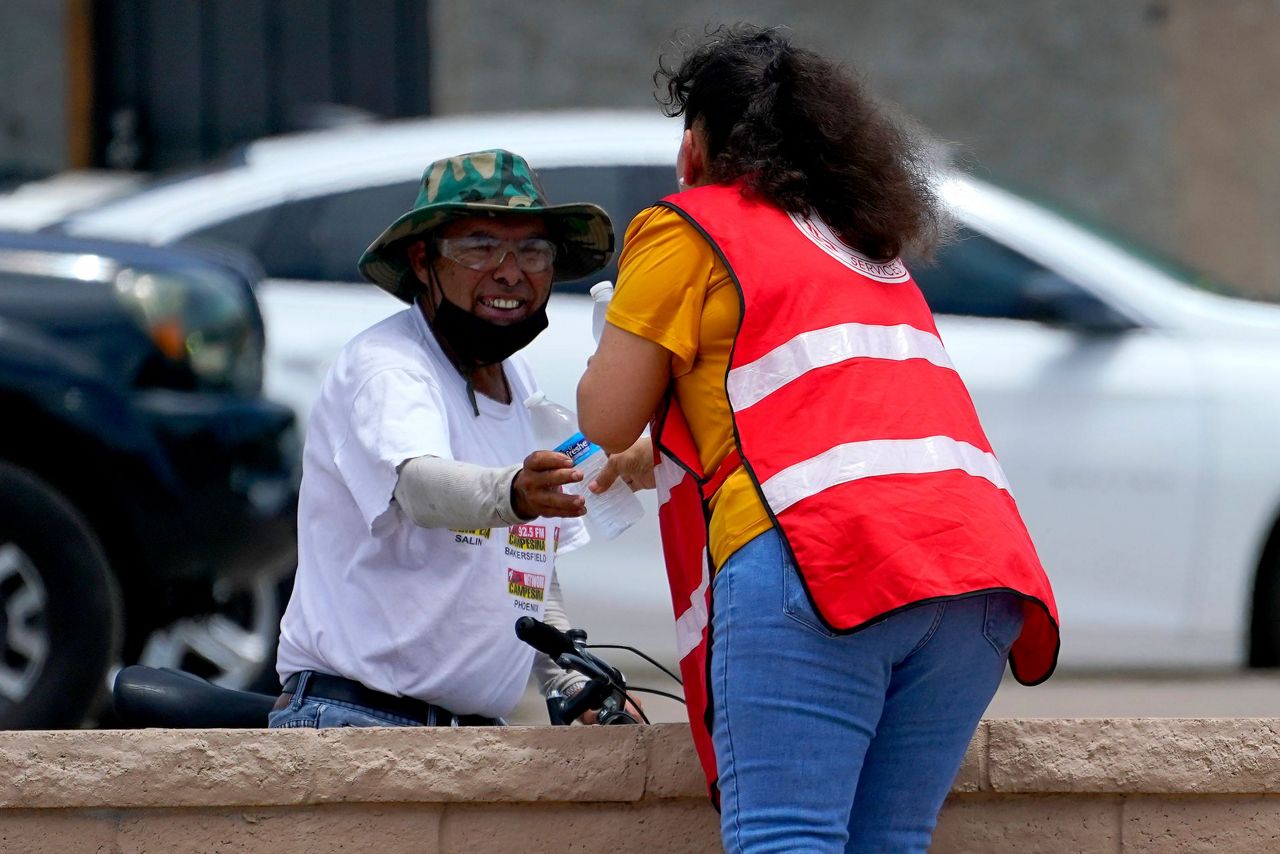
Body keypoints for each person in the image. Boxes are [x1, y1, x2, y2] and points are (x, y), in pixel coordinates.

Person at [577, 26, 1060, 852]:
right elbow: (813, 414)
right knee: (888, 842)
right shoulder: (861, 241)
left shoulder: (688, 225)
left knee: (786, 835)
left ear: (698, 143)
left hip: (823, 563)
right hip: (977, 577)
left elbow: (605, 417)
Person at [270, 149, 616, 729]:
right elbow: (421, 489)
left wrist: (569, 677)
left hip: (462, 734)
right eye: (480, 247)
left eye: (533, 250)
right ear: (423, 261)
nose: (510, 271)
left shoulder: (517, 379)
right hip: (357, 720)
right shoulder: (390, 368)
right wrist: (514, 492)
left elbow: (526, 562)